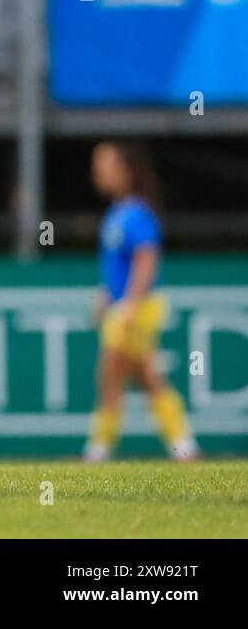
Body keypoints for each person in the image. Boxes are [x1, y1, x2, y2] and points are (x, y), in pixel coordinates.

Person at [84, 141, 198, 463]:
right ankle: (184, 447)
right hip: (127, 306)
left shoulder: (137, 214)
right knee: (148, 379)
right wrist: (108, 296)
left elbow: (147, 258)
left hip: (138, 308)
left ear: (126, 170)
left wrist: (131, 303)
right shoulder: (117, 214)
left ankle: (96, 452)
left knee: (109, 376)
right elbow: (118, 267)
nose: (97, 172)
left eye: (104, 164)